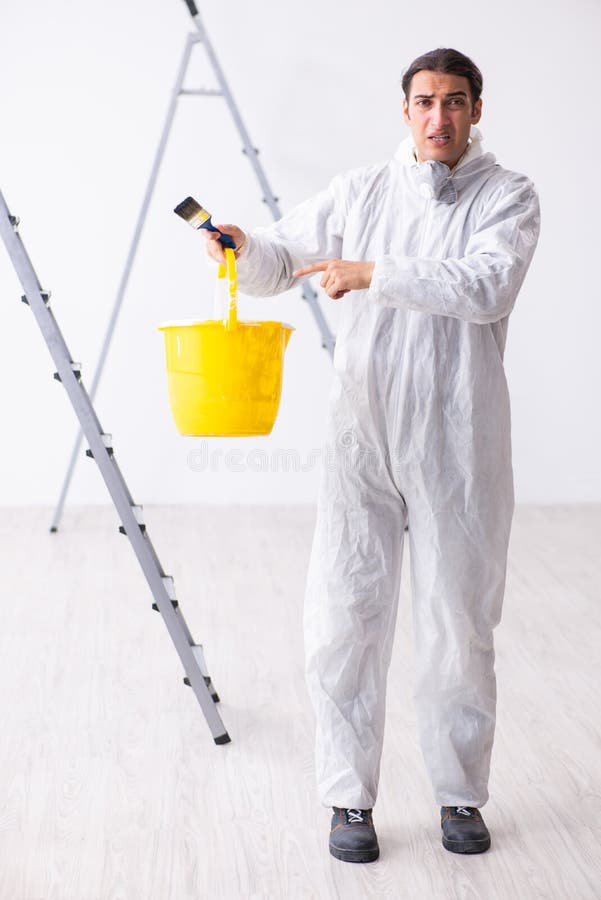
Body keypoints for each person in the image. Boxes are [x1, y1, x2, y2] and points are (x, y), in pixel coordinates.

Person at [203, 47, 541, 863]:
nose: (438, 117)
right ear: (404, 109)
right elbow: (282, 261)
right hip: (362, 435)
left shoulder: (509, 196)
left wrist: (374, 272)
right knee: (344, 617)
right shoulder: (362, 191)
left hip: (459, 441)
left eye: (454, 102)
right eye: (424, 101)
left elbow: (484, 285)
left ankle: (459, 795)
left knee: (458, 623)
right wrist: (242, 245)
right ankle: (346, 801)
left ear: (476, 109)